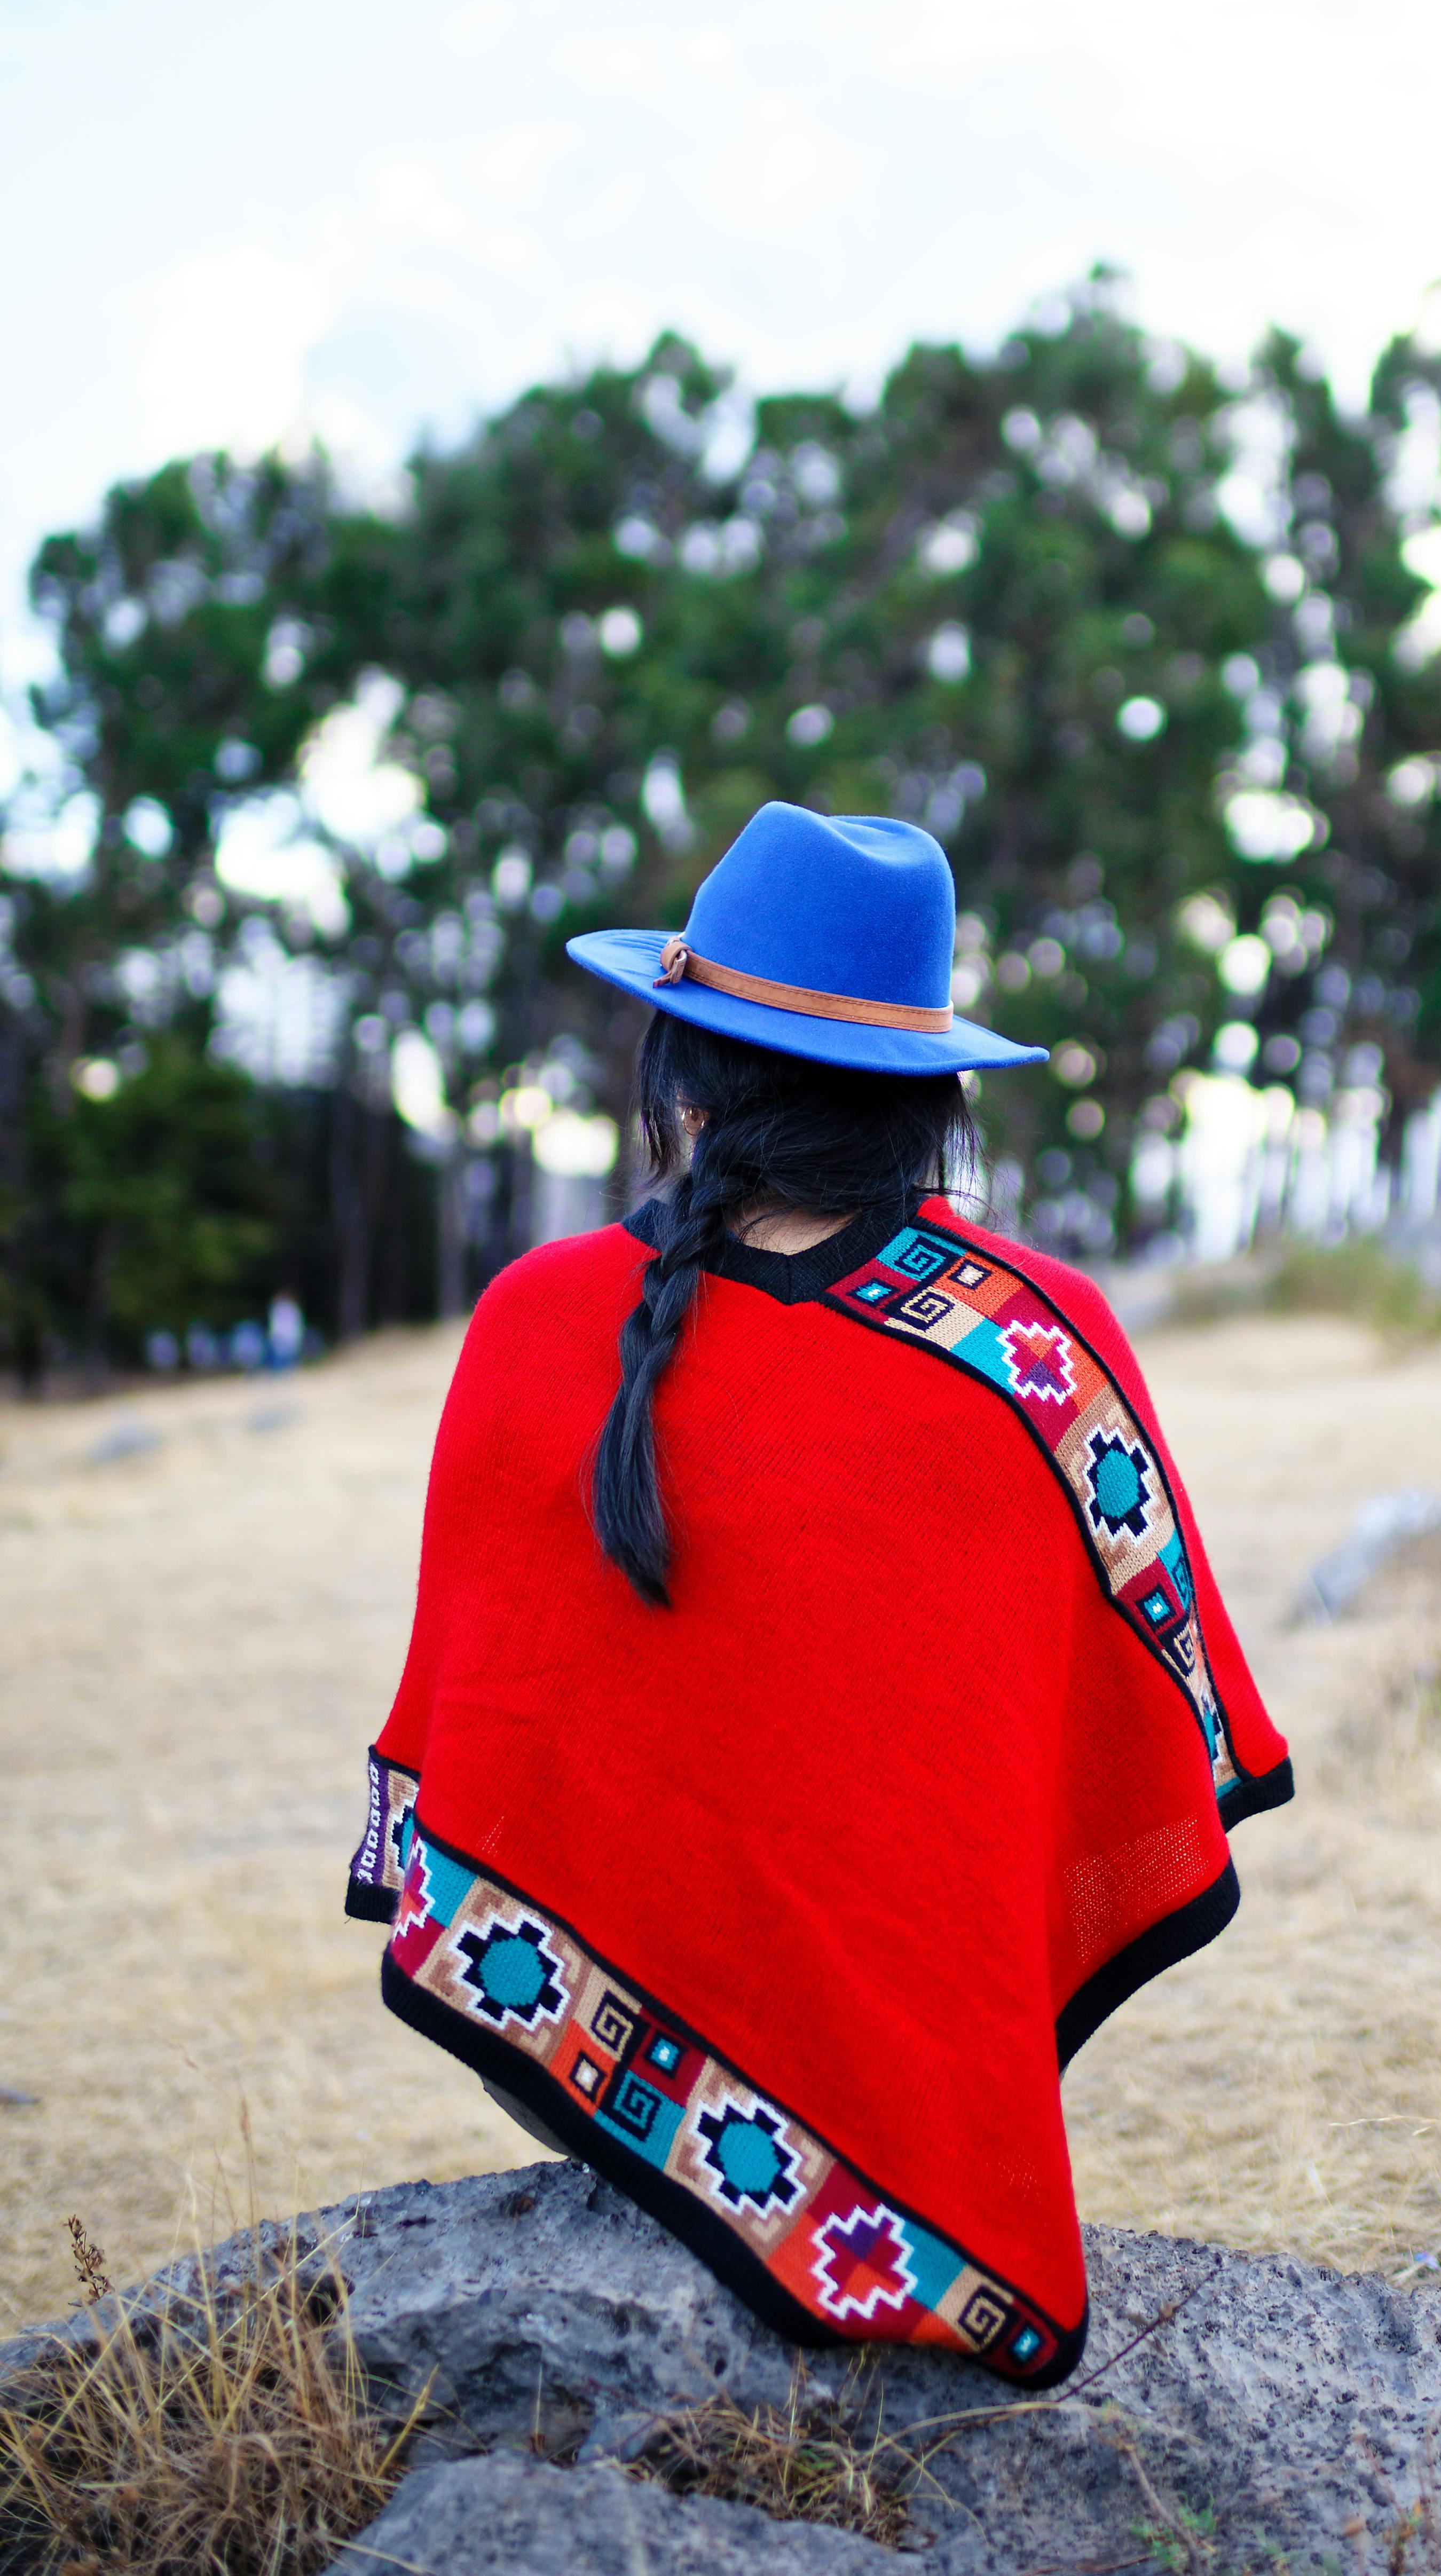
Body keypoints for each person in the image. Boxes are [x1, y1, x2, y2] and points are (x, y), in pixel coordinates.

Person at [345, 800, 1292, 2388]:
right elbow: (1170, 1725)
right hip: (931, 2075)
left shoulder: (533, 1315)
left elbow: (468, 1749)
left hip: (570, 2053)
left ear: (683, 1071)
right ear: (928, 1096)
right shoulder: (1044, 1350)